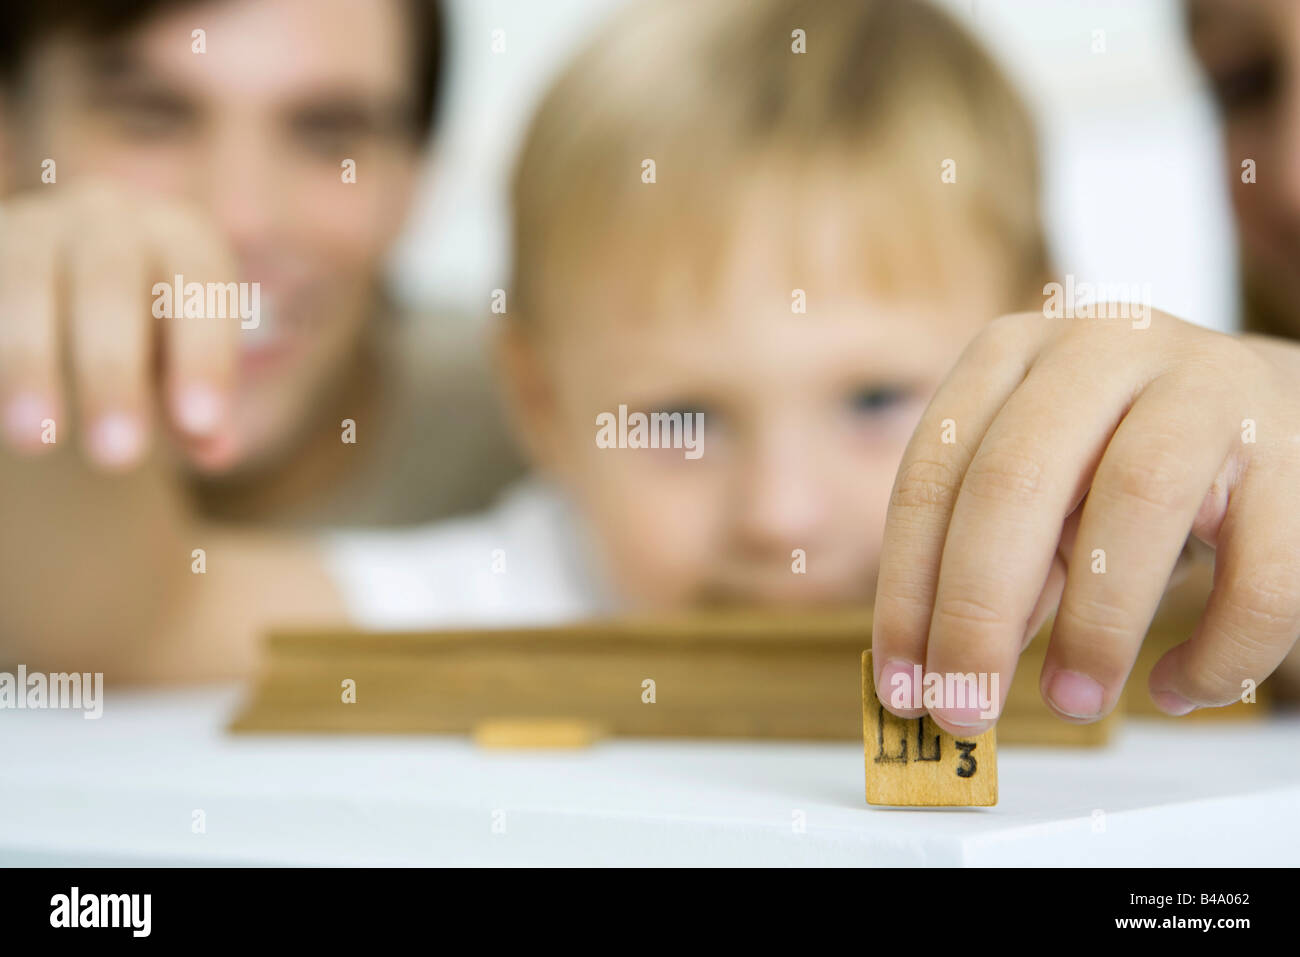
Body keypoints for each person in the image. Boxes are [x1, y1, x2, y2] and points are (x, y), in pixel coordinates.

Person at [0, 0, 523, 676]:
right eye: (148, 118)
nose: (239, 217)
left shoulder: (553, 433)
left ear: (415, 183)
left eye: (328, 136)